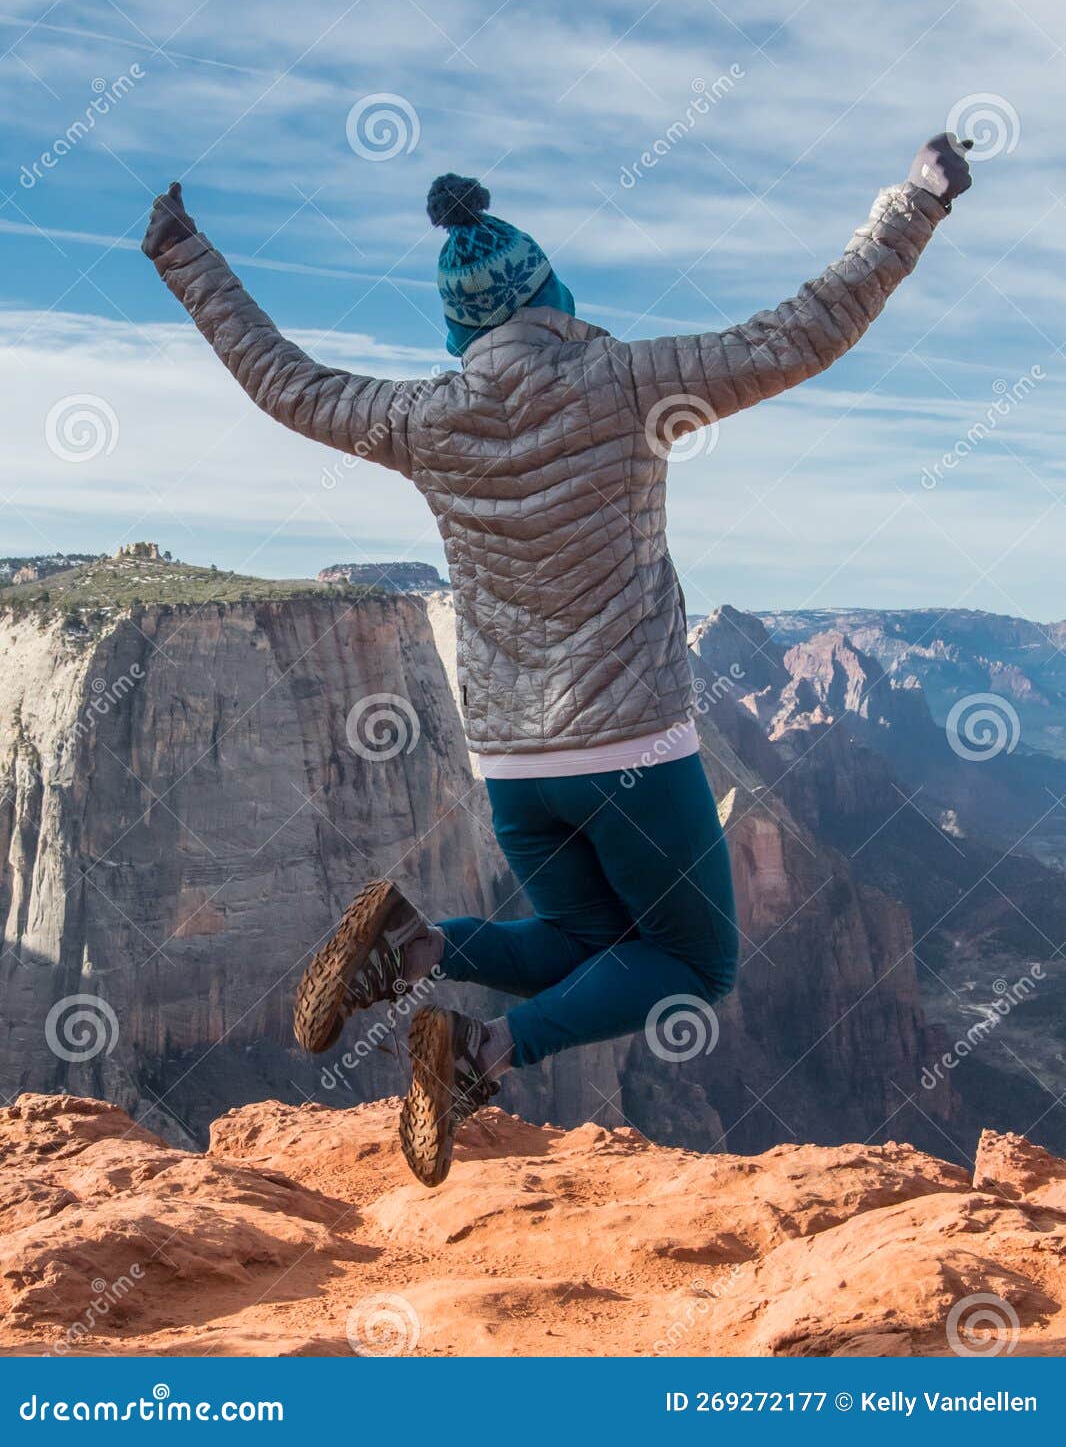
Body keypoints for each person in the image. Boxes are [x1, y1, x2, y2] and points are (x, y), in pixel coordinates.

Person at [142, 135, 972, 1185]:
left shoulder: (420, 418)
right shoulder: (629, 380)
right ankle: (482, 1048)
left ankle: (412, 948)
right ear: (550, 291)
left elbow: (286, 384)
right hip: (632, 745)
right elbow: (807, 328)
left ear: (459, 328)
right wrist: (915, 202)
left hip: (512, 761)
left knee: (585, 938)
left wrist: (183, 253)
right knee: (692, 964)